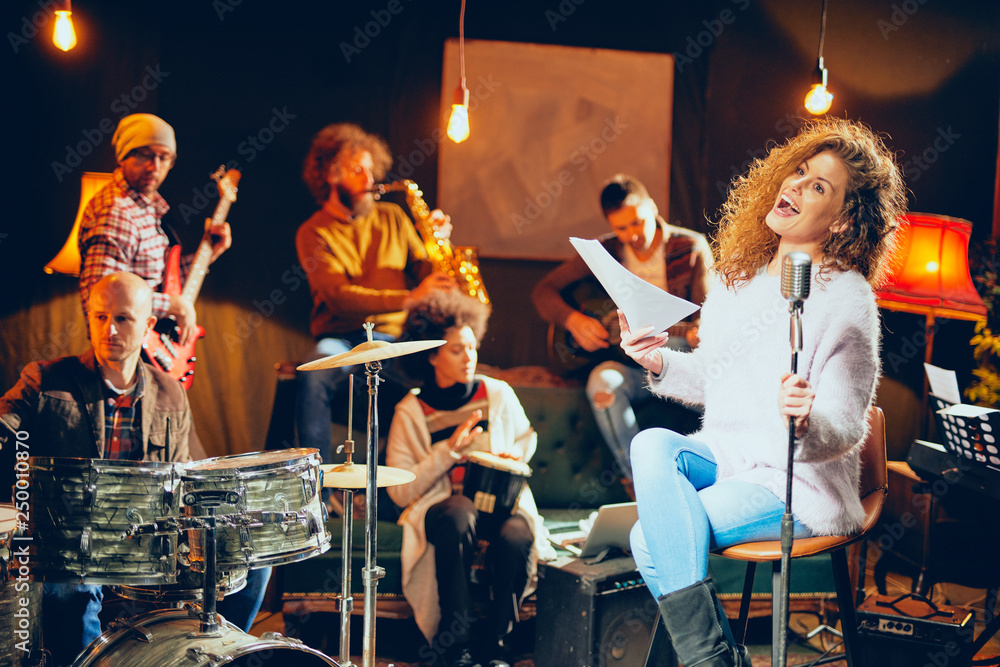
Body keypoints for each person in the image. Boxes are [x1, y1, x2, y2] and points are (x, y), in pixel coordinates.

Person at [618, 118, 906, 666]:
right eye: (798, 172)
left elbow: (846, 428)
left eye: (818, 186)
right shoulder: (736, 282)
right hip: (729, 459)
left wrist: (804, 421)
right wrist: (657, 360)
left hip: (797, 481)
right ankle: (720, 660)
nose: (795, 186)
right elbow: (712, 379)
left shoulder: (847, 300)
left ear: (844, 221)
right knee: (652, 443)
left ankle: (712, 659)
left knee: (650, 540)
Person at [0, 272, 196, 666]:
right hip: (68, 546)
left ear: (148, 326)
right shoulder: (45, 379)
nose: (109, 329)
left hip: (141, 546)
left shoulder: (171, 394)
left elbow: (183, 479)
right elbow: (5, 423)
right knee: (72, 591)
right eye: (100, 317)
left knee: (240, 577)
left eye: (123, 318)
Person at [386, 291, 554, 667]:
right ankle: (455, 641)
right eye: (456, 350)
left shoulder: (496, 393)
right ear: (431, 355)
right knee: (460, 510)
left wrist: (513, 455)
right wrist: (447, 451)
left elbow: (526, 439)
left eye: (471, 347)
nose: (469, 357)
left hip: (498, 503)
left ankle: (497, 646)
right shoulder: (410, 411)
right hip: (446, 513)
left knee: (517, 534)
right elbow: (399, 493)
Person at [531, 174, 712, 489]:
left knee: (686, 345)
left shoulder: (690, 247)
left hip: (676, 356)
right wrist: (574, 320)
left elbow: (707, 316)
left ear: (652, 208)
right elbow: (543, 292)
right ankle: (640, 482)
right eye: (621, 228)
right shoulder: (605, 250)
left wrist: (702, 332)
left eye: (638, 223)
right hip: (626, 363)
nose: (632, 235)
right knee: (602, 385)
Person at [295, 122, 455, 465]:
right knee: (313, 375)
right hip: (341, 338)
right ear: (331, 175)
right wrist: (408, 299)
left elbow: (427, 271)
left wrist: (437, 242)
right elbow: (339, 297)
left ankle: (387, 484)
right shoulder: (312, 232)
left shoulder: (393, 216)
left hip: (392, 339)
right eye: (358, 170)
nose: (370, 180)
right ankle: (316, 488)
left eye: (372, 170)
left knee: (428, 381)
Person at [78, 112, 232, 346]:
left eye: (164, 157)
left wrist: (210, 254)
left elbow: (159, 279)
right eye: (144, 155)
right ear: (123, 156)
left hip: (148, 344)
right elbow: (102, 297)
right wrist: (174, 305)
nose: (154, 166)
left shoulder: (145, 207)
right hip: (126, 352)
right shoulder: (117, 211)